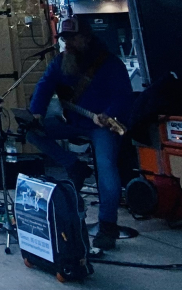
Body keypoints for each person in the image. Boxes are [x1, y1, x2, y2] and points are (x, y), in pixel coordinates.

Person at [25, 17, 134, 251]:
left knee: (106, 169)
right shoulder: (61, 62)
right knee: (31, 132)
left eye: (73, 38)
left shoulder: (111, 64)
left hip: (102, 126)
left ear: (87, 37)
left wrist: (108, 114)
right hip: (74, 122)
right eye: (65, 39)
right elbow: (44, 87)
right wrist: (36, 114)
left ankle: (107, 226)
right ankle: (74, 165)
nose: (68, 43)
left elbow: (124, 96)